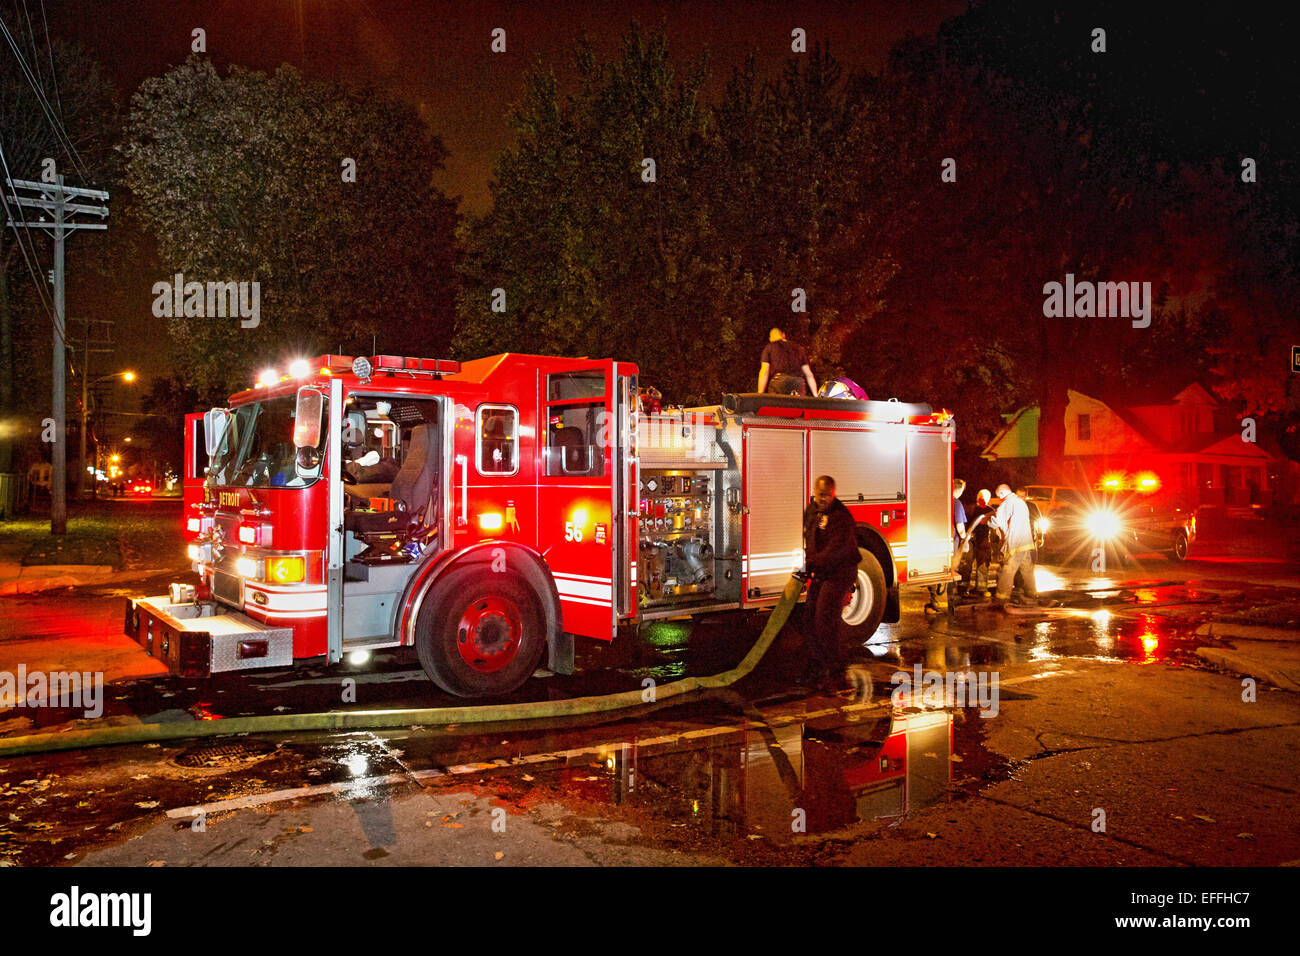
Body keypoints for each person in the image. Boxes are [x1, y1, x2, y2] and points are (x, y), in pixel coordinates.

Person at [799, 475, 860, 689]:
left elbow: (835, 550)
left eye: (827, 495)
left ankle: (835, 669)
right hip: (823, 571)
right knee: (809, 618)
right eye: (820, 494)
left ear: (833, 493)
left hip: (840, 571)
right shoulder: (812, 511)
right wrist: (804, 567)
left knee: (824, 619)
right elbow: (809, 539)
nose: (823, 498)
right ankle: (817, 665)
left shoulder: (841, 517)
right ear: (814, 491)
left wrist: (811, 565)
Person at [989, 482, 1039, 610]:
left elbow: (997, 521)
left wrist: (987, 522)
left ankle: (1002, 597)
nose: (999, 498)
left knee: (1008, 569)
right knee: (1027, 569)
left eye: (999, 495)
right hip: (1026, 542)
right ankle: (1032, 594)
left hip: (1016, 543)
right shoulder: (1020, 503)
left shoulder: (1007, 503)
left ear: (1001, 492)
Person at [927, 478, 966, 611]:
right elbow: (960, 526)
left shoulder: (940, 501)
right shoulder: (956, 503)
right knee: (949, 572)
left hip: (937, 541)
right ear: (960, 489)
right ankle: (945, 604)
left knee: (937, 572)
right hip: (950, 543)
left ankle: (937, 602)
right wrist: (965, 539)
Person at [757, 327, 817, 396]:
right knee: (797, 405)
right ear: (783, 335)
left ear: (770, 339)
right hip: (797, 382)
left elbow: (764, 371)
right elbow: (809, 374)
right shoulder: (798, 348)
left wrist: (760, 393)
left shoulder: (769, 348)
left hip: (778, 382)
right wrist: (815, 395)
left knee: (777, 406)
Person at [959, 489, 997, 596]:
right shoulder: (970, 508)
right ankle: (963, 587)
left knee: (983, 564)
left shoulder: (991, 511)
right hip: (970, 540)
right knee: (966, 564)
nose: (982, 498)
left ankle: (981, 588)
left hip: (983, 540)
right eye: (980, 495)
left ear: (989, 499)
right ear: (977, 497)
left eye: (984, 496)